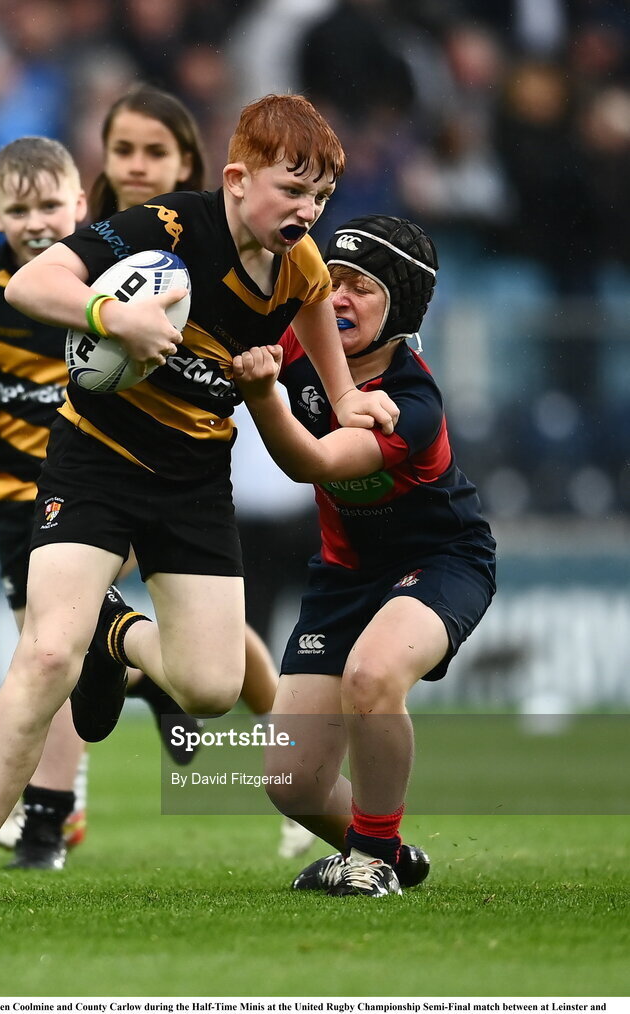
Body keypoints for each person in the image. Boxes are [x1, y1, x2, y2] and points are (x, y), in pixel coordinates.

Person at [0, 93, 399, 905]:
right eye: (292, 189)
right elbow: (35, 282)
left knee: (208, 690)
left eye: (320, 197)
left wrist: (349, 402)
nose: (307, 211)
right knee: (46, 653)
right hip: (93, 463)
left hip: (196, 484)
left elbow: (324, 341)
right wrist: (115, 316)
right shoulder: (170, 227)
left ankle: (121, 641)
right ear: (237, 179)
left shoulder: (301, 264)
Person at [0, 135, 194, 873]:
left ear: (79, 203)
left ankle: (46, 823)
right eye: (19, 209)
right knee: (53, 652)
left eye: (50, 206)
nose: (37, 222)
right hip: (15, 501)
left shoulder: (111, 279)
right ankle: (155, 676)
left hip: (98, 489)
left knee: (50, 651)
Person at [232, 215, 497, 897]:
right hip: (345, 574)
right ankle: (392, 854)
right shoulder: (299, 346)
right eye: (331, 284)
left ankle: (372, 858)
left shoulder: (412, 404)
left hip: (443, 561)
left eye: (361, 288)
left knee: (372, 677)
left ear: (400, 308)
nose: (339, 299)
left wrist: (262, 396)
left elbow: (313, 462)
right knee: (293, 785)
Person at [91, 81, 314, 857]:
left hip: (206, 470)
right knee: (52, 627)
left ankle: (294, 778)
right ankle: (49, 809)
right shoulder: (107, 245)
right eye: (124, 150)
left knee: (229, 648)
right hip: (112, 464)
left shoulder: (243, 244)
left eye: (157, 152)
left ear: (195, 165)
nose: (139, 166)